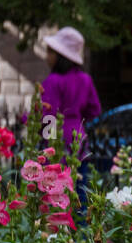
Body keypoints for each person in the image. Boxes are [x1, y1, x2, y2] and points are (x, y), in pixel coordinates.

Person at [40, 27, 101, 162]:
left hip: (57, 141)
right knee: (80, 180)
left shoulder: (53, 81)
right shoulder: (85, 79)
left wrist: (26, 119)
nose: (47, 56)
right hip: (79, 139)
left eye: (50, 52)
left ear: (60, 55)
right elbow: (94, 110)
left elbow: (47, 115)